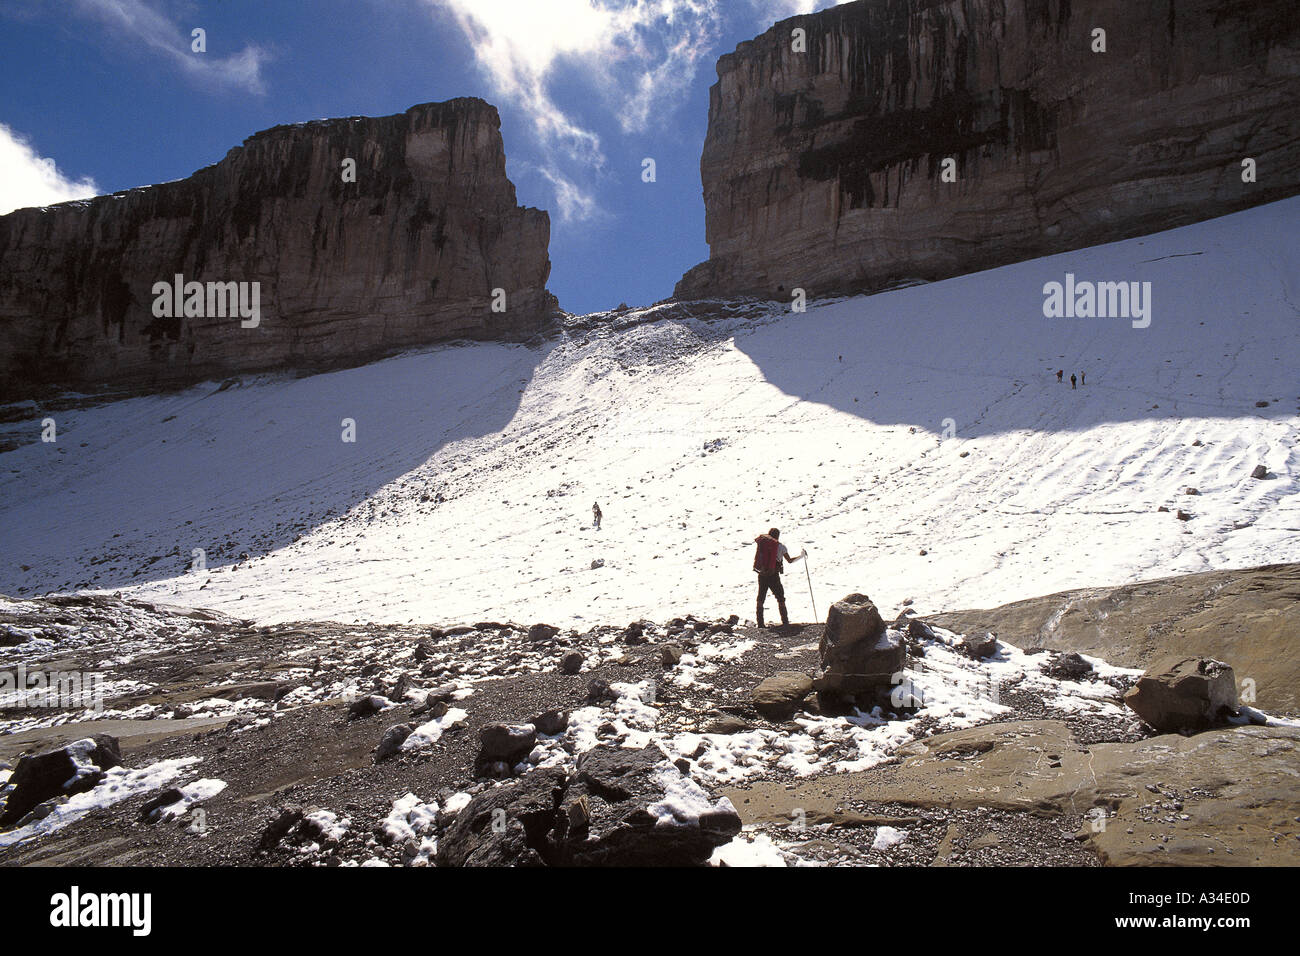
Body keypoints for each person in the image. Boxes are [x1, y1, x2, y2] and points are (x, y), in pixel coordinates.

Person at [752, 527, 805, 628]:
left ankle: (760, 623)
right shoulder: (781, 547)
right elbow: (789, 560)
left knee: (761, 597)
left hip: (762, 574)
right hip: (773, 575)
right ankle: (785, 622)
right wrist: (801, 556)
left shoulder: (763, 544)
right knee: (780, 597)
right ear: (778, 536)